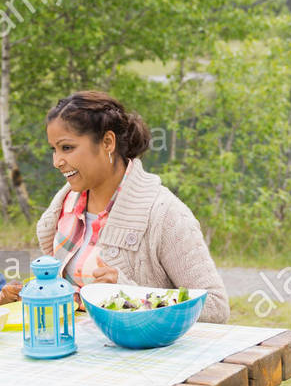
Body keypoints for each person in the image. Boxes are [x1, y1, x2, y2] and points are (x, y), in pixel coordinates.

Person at [37, 91, 229, 323]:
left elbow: (216, 308)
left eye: (67, 148)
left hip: (142, 355)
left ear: (107, 142)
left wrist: (129, 295)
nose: (56, 162)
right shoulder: (64, 205)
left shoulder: (164, 214)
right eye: (53, 150)